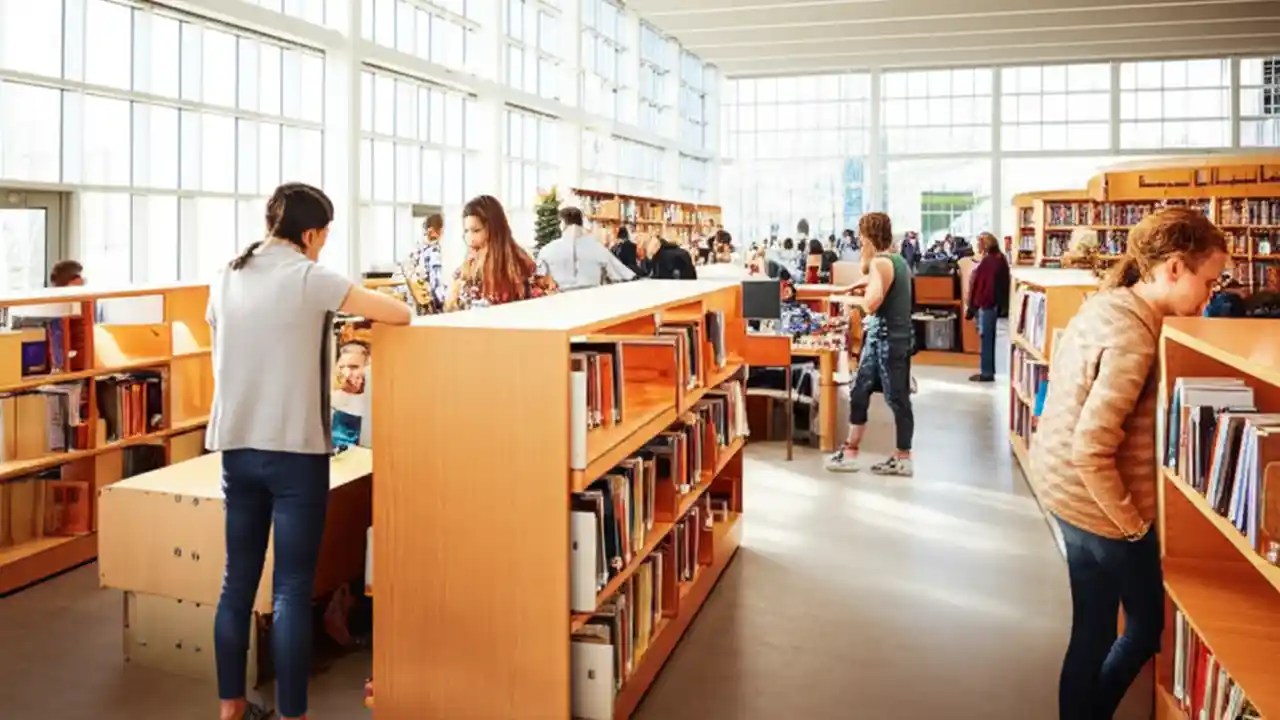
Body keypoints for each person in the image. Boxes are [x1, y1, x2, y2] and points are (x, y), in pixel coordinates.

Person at [208, 183, 411, 720]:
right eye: (324, 236)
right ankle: (293, 715)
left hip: (235, 446)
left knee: (236, 581)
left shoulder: (228, 274)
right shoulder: (309, 275)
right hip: (295, 451)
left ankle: (231, 706)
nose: (323, 246)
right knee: (293, 589)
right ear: (310, 233)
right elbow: (398, 315)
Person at [1031, 208, 1227, 720]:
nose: (1210, 296)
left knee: (1092, 629)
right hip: (1103, 511)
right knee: (1144, 629)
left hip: (1066, 496)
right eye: (1208, 282)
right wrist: (1135, 528)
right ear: (1175, 268)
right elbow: (1091, 446)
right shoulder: (1134, 336)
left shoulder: (1109, 305)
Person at [825, 212, 914, 477]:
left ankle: (903, 457)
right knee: (860, 389)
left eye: (862, 238)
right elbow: (872, 281)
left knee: (897, 398)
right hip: (885, 338)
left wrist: (852, 302)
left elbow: (872, 303)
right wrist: (847, 288)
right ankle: (851, 450)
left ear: (867, 237)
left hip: (888, 339)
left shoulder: (879, 263)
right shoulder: (895, 260)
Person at [445, 195, 558, 311]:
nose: (470, 238)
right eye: (466, 231)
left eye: (476, 231)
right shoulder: (465, 271)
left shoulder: (521, 269)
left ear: (494, 230)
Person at [537, 206, 635, 291]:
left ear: (561, 225)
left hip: (558, 303)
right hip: (592, 303)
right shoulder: (597, 248)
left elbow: (538, 278)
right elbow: (622, 275)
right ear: (581, 224)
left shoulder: (547, 250)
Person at [965, 232, 1011, 383]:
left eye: (979, 243)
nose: (977, 246)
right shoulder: (999, 259)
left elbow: (985, 286)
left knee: (986, 339)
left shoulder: (989, 262)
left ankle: (986, 372)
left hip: (987, 305)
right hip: (993, 304)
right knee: (988, 339)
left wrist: (973, 306)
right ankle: (987, 371)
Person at [401, 213, 446, 315]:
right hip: (426, 300)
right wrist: (443, 303)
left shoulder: (417, 247)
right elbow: (436, 283)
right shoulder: (434, 250)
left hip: (413, 300)